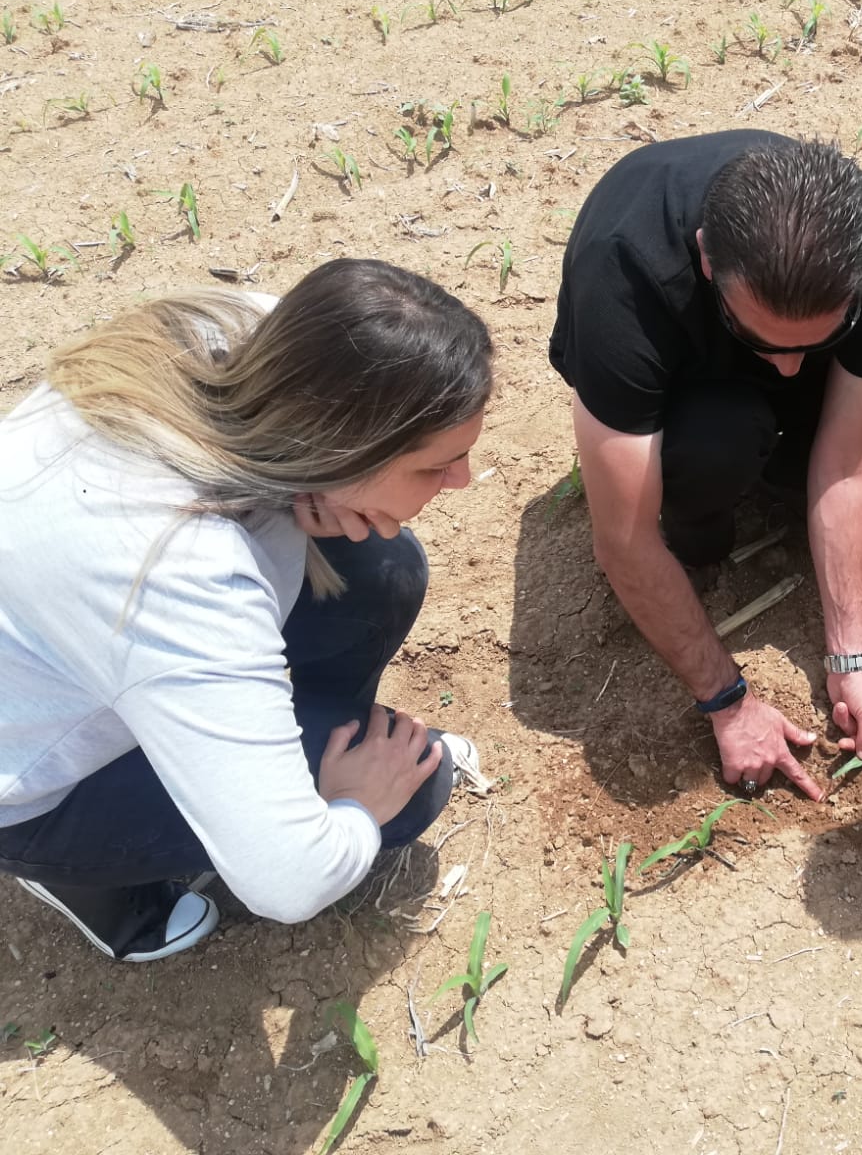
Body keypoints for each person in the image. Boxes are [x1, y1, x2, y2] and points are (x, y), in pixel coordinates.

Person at [0, 259, 495, 962]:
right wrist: (356, 807)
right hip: (32, 782)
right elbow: (290, 882)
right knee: (413, 792)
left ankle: (282, 753)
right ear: (340, 449)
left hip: (69, 650)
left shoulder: (256, 338)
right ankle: (97, 888)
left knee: (383, 571)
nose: (461, 480)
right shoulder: (178, 571)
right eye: (434, 466)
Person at [551, 131, 862, 800]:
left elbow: (849, 454)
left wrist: (852, 659)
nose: (793, 368)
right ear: (708, 259)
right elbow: (622, 540)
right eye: (760, 337)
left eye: (821, 339)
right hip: (692, 392)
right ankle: (701, 527)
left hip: (767, 354)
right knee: (720, 434)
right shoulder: (625, 269)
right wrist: (728, 703)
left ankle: (785, 488)